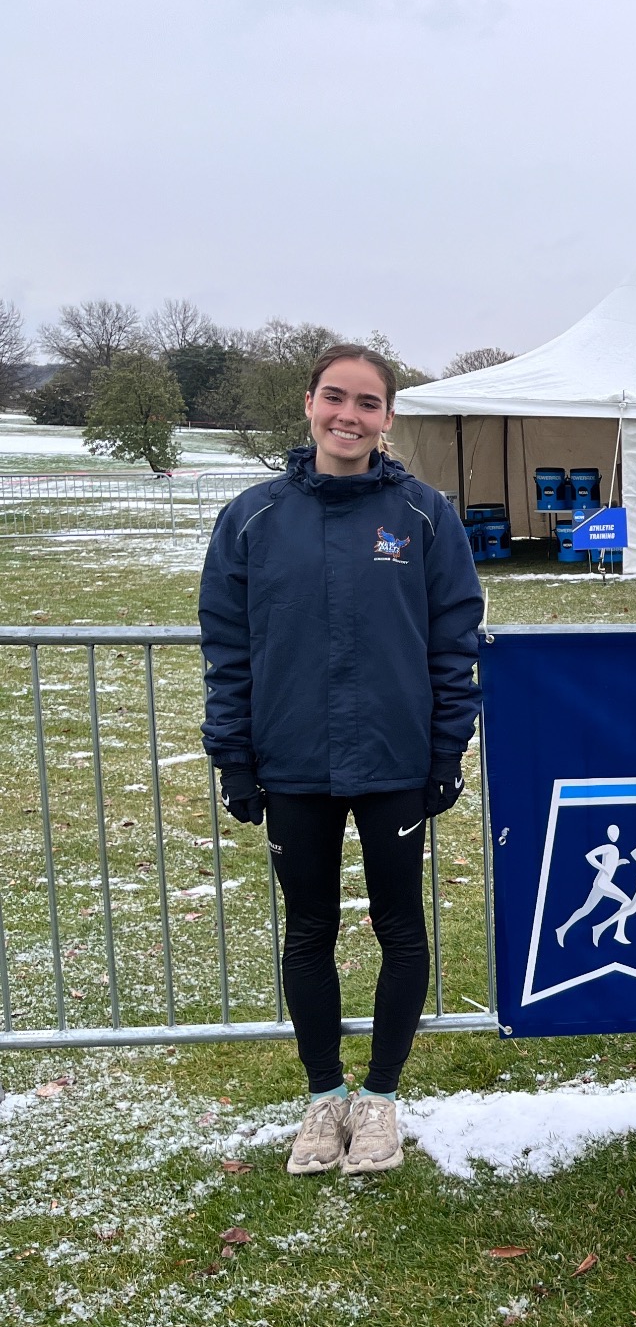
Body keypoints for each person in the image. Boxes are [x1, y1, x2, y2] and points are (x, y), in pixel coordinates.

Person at [200, 344, 483, 1177]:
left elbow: (451, 641)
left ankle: (382, 1099)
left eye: (367, 402)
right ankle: (324, 1100)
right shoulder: (253, 516)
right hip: (291, 764)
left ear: (388, 417)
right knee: (309, 931)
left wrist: (445, 748)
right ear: (310, 403)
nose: (348, 416)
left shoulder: (426, 516)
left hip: (395, 762)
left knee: (399, 927)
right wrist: (235, 756)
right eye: (335, 398)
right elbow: (228, 649)